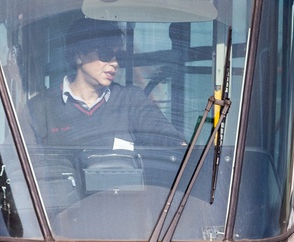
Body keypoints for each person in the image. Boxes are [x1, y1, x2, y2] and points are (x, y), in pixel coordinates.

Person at [27, 17, 183, 150]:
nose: (114, 63)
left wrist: (183, 148)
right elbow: (18, 165)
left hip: (123, 185)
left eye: (119, 56)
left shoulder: (131, 100)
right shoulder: (40, 107)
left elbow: (169, 140)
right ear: (78, 56)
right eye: (106, 54)